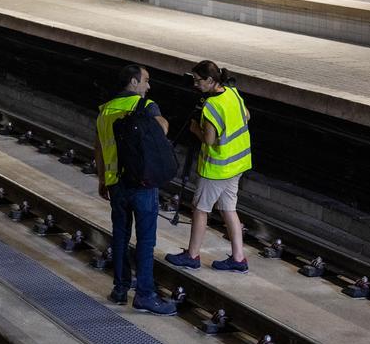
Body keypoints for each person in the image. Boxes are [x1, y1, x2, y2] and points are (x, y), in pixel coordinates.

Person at [95, 64, 177, 315]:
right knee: (146, 240)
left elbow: (99, 149)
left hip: (116, 184)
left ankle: (120, 290)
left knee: (120, 236)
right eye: (146, 81)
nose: (148, 86)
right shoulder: (145, 106)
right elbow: (162, 130)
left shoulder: (105, 111)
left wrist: (102, 179)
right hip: (142, 183)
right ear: (133, 82)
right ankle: (145, 295)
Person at [165, 60, 253, 273]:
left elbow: (209, 140)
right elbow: (247, 116)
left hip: (217, 169)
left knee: (200, 209)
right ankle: (239, 258)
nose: (195, 84)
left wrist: (196, 128)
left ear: (211, 80)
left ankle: (192, 255)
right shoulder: (232, 93)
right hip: (238, 164)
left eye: (198, 80)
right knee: (228, 208)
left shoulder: (211, 106)